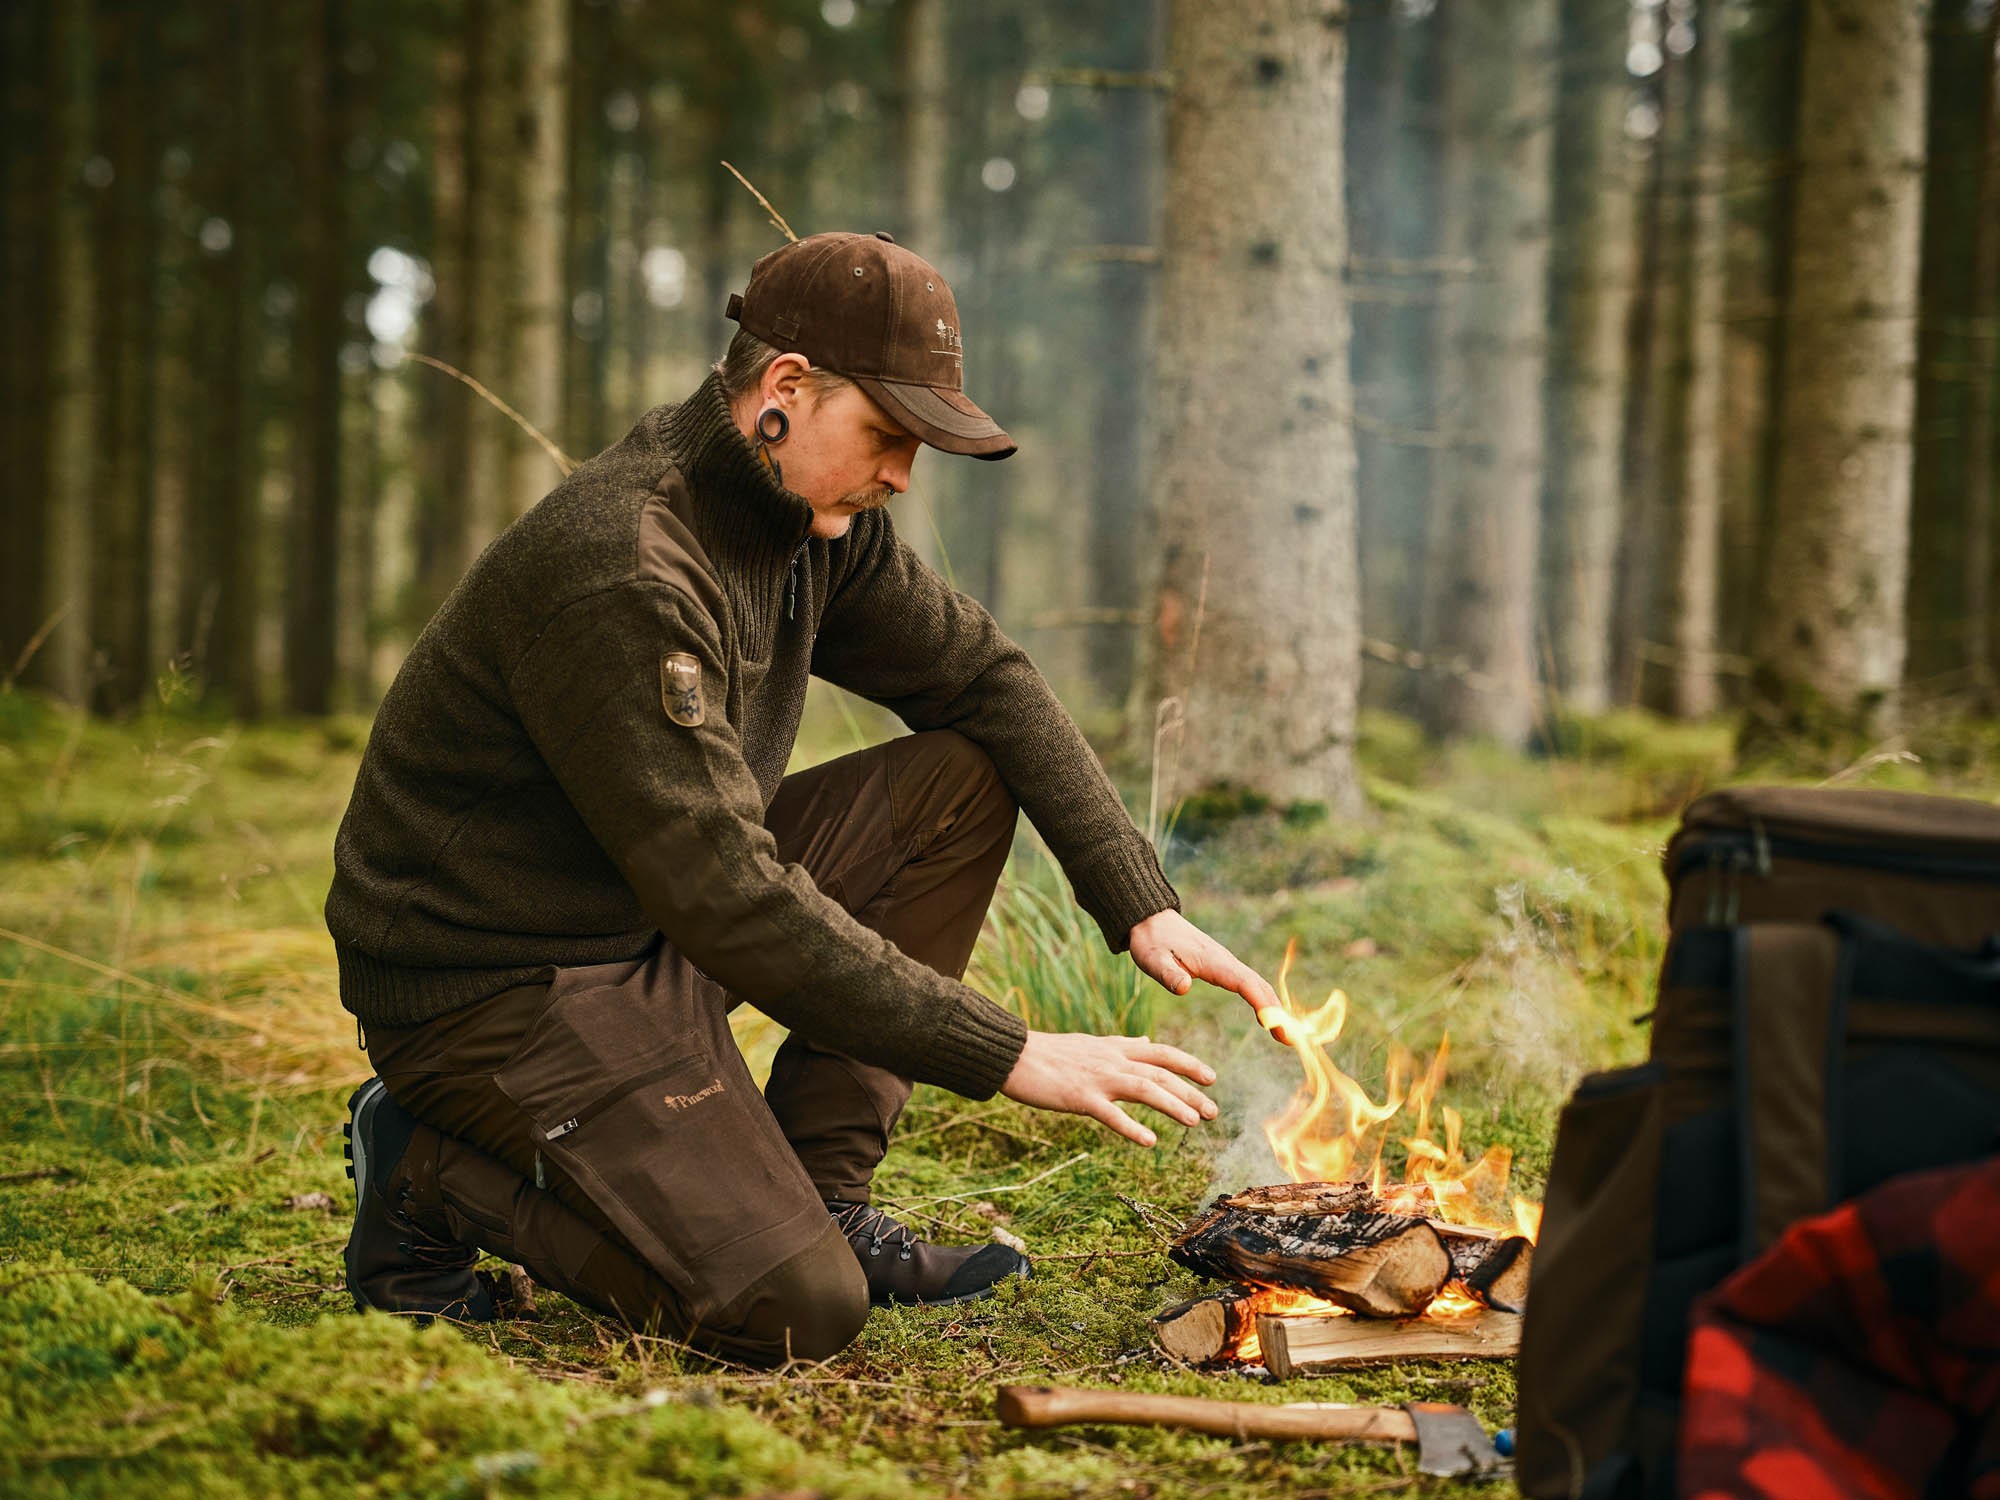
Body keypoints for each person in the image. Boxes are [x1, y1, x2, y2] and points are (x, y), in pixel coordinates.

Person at [328, 230, 1282, 1367]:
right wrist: (1006, 1051)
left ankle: (825, 1194)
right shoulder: (624, 566)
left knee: (957, 784)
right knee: (794, 1312)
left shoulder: (812, 528)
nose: (900, 477)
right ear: (784, 388)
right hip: (497, 989)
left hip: (646, 914)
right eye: (886, 436)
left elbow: (985, 680)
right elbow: (727, 893)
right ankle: (427, 1168)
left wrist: (1136, 900)